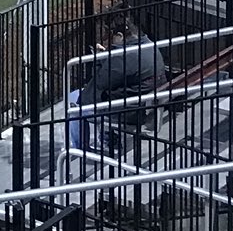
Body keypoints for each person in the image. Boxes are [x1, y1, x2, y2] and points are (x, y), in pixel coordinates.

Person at [67, 21, 166, 154]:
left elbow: (100, 82)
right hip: (145, 104)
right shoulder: (149, 45)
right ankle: (108, 138)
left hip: (129, 111)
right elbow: (118, 74)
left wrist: (99, 58)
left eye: (111, 36)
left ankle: (80, 149)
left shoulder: (124, 56)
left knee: (74, 98)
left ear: (120, 35)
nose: (110, 40)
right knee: (104, 94)